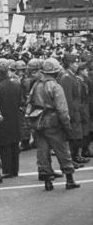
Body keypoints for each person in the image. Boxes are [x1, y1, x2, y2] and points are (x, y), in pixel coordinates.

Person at [27, 59, 79, 191]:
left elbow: (30, 103)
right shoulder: (55, 86)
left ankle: (48, 182)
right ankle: (69, 180)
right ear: (56, 72)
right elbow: (62, 109)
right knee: (62, 150)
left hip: (38, 121)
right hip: (53, 122)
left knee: (42, 152)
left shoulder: (36, 85)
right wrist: (67, 125)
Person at [0, 60, 22, 178]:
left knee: (4, 146)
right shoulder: (16, 85)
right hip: (15, 117)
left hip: (3, 118)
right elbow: (20, 101)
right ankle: (15, 170)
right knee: (15, 145)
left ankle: (7, 170)